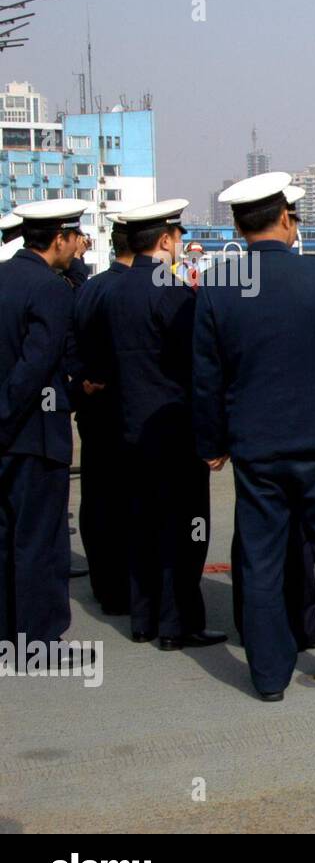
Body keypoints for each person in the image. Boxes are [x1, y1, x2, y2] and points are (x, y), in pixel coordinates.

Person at [194, 172, 315, 701]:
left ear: (236, 226)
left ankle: (269, 676)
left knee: (261, 559)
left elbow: (206, 378)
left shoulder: (218, 286)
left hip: (255, 445)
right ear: (285, 219)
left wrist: (211, 443)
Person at [98, 199, 225, 650]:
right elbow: (200, 364)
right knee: (186, 529)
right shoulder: (172, 293)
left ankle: (143, 618)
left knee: (140, 523)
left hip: (128, 427)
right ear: (168, 240)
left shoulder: (111, 292)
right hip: (174, 428)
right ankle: (178, 623)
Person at [0, 199, 88, 655]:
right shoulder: (51, 289)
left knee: (4, 536)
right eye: (74, 239)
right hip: (31, 433)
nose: (76, 248)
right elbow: (37, 366)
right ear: (59, 239)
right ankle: (36, 635)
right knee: (38, 537)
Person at [71, 213, 134, 614]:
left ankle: (105, 584)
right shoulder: (155, 290)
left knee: (98, 498)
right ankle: (132, 587)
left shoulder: (88, 289)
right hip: (135, 415)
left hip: (95, 411)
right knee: (135, 502)